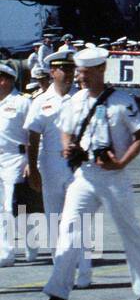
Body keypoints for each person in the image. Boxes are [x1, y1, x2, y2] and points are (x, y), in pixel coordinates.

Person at [36, 46, 140, 300]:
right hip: (84, 175)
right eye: (79, 72)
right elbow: (66, 131)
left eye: (86, 73)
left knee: (129, 231)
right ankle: (58, 294)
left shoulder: (122, 102)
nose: (81, 78)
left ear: (101, 70)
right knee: (69, 230)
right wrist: (68, 147)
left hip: (114, 176)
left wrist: (121, 163)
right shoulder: (76, 102)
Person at [24, 49, 91, 282]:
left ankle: (84, 271)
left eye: (72, 69)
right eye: (64, 69)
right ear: (53, 71)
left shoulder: (82, 97)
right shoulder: (40, 102)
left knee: (80, 217)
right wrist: (32, 169)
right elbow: (32, 138)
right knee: (53, 219)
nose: (70, 74)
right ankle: (60, 271)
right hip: (50, 163)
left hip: (77, 164)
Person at [0, 63, 35, 265]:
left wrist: (32, 162)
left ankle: (29, 244)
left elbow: (33, 134)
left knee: (14, 205)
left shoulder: (23, 103)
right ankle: (6, 251)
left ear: (6, 80)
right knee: (3, 207)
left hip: (16, 158)